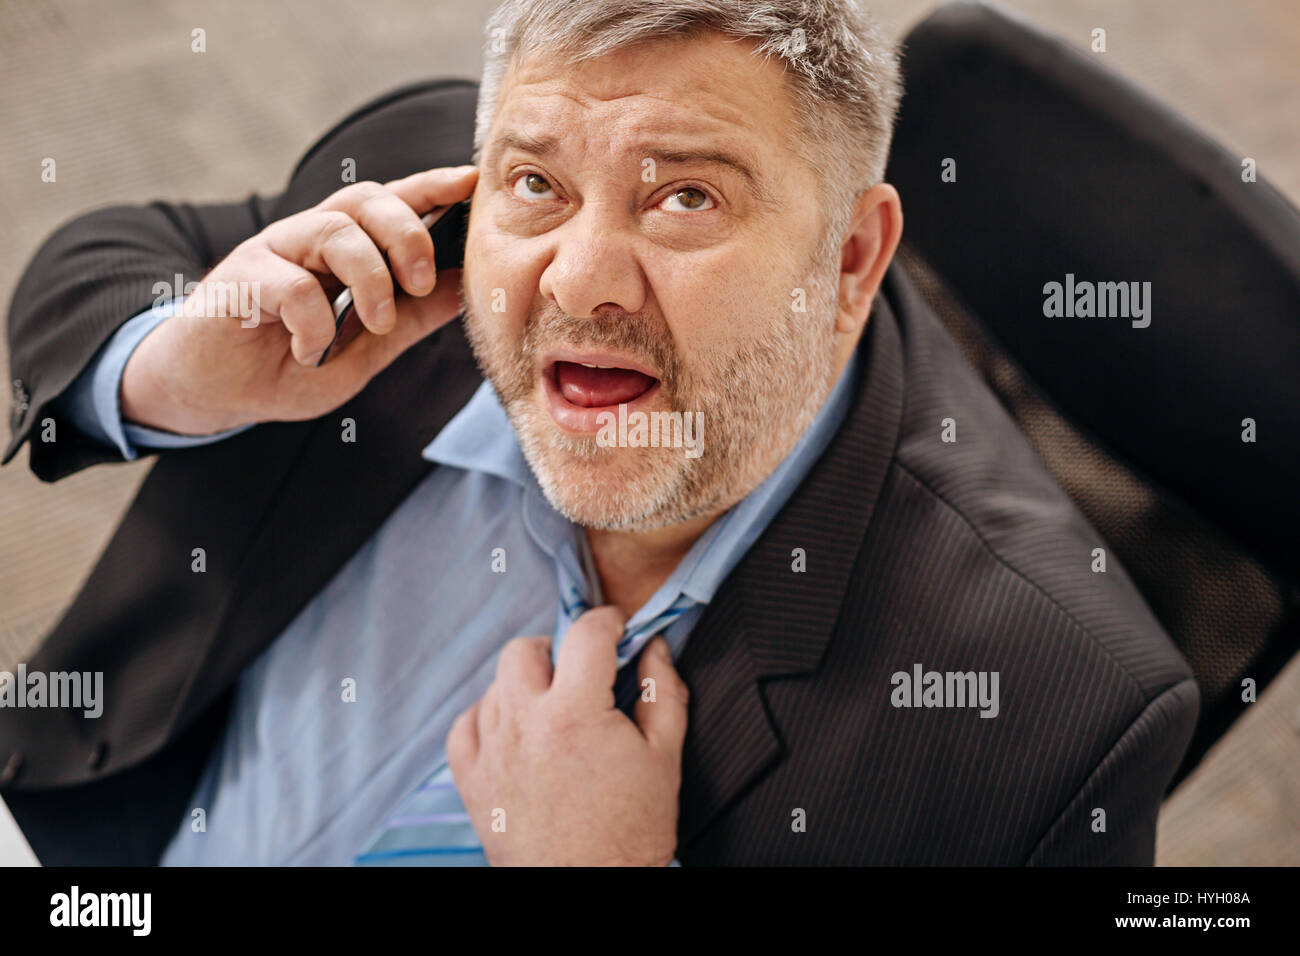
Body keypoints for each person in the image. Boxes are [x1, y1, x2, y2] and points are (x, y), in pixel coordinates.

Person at [0, 0, 1197, 865]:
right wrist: (179, 367)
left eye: (687, 195)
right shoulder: (409, 234)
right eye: (538, 183)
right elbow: (100, 258)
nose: (578, 282)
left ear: (848, 258)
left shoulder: (1051, 716)